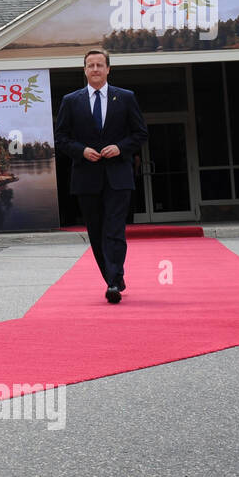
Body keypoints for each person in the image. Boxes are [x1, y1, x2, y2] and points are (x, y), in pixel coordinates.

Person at [54, 48, 148, 304]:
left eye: (99, 65)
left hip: (118, 175)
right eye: (90, 65)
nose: (95, 69)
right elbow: (61, 138)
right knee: (96, 231)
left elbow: (140, 134)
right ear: (84, 70)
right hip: (86, 177)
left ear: (108, 69)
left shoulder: (126, 98)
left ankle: (113, 281)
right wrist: (81, 151)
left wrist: (120, 148)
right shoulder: (71, 101)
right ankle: (112, 275)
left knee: (115, 229)